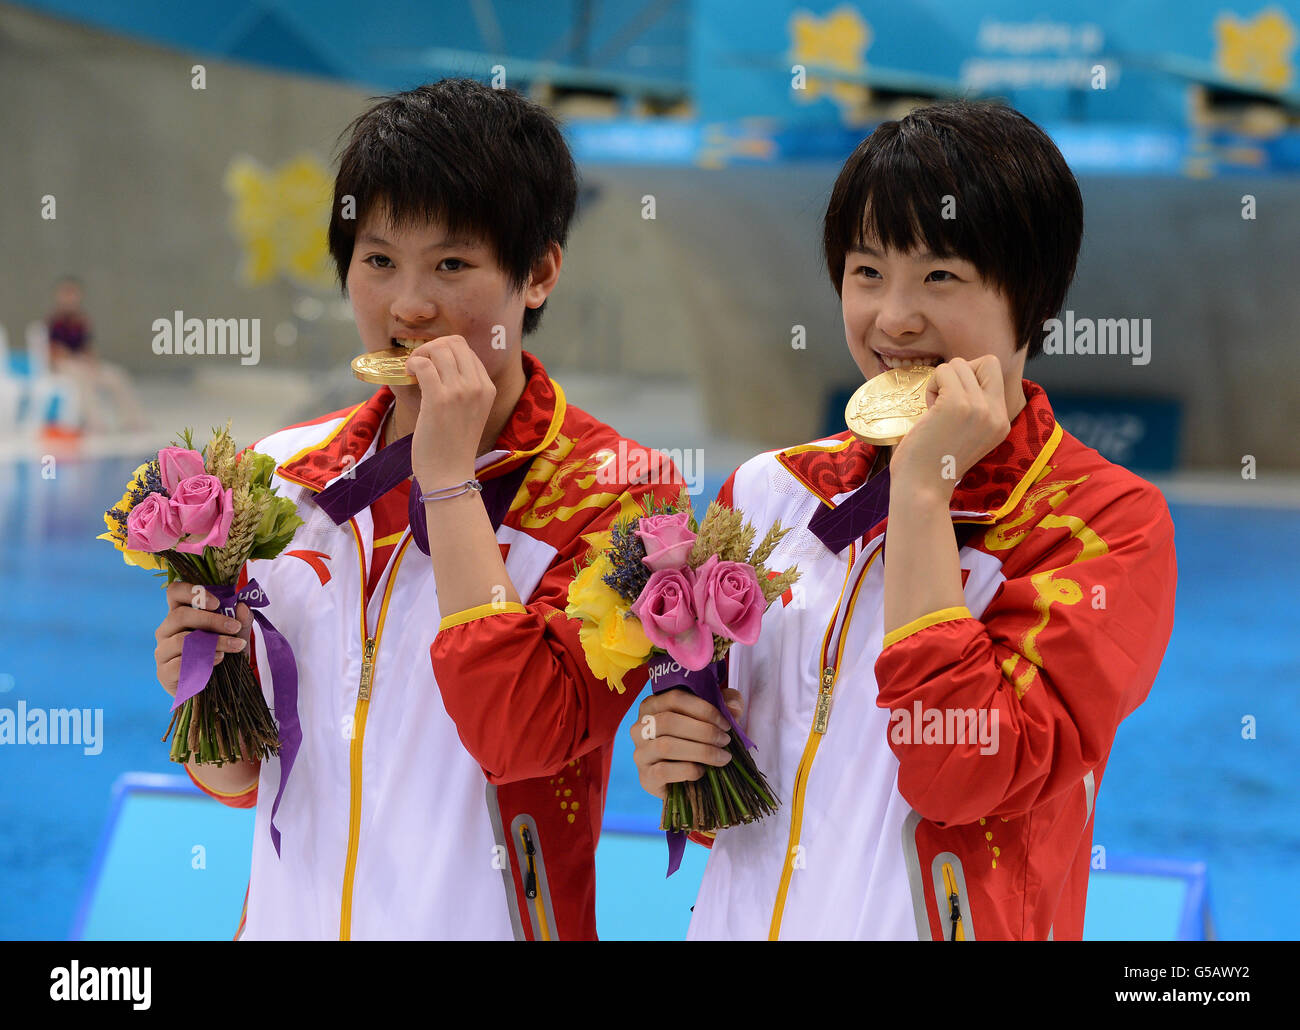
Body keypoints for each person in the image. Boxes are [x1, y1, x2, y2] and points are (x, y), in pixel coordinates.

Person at [631, 100, 1178, 940]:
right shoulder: (767, 493)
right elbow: (732, 802)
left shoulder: (1103, 525)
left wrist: (923, 491)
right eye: (867, 273)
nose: (893, 319)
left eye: (941, 277)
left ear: (1033, 295)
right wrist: (680, 754)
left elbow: (962, 774)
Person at [151, 79, 681, 940]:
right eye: (378, 259)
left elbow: (524, 738)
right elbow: (242, 779)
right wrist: (202, 685)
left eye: (452, 264)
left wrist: (448, 480)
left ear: (539, 272)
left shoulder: (622, 491)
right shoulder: (274, 477)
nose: (408, 307)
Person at [45, 275, 147, 431]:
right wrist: (72, 360)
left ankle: (133, 420)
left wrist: (92, 362)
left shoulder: (82, 320)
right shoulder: (54, 321)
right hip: (65, 366)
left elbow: (88, 347)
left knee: (116, 376)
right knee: (81, 379)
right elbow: (53, 351)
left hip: (84, 363)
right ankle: (96, 423)